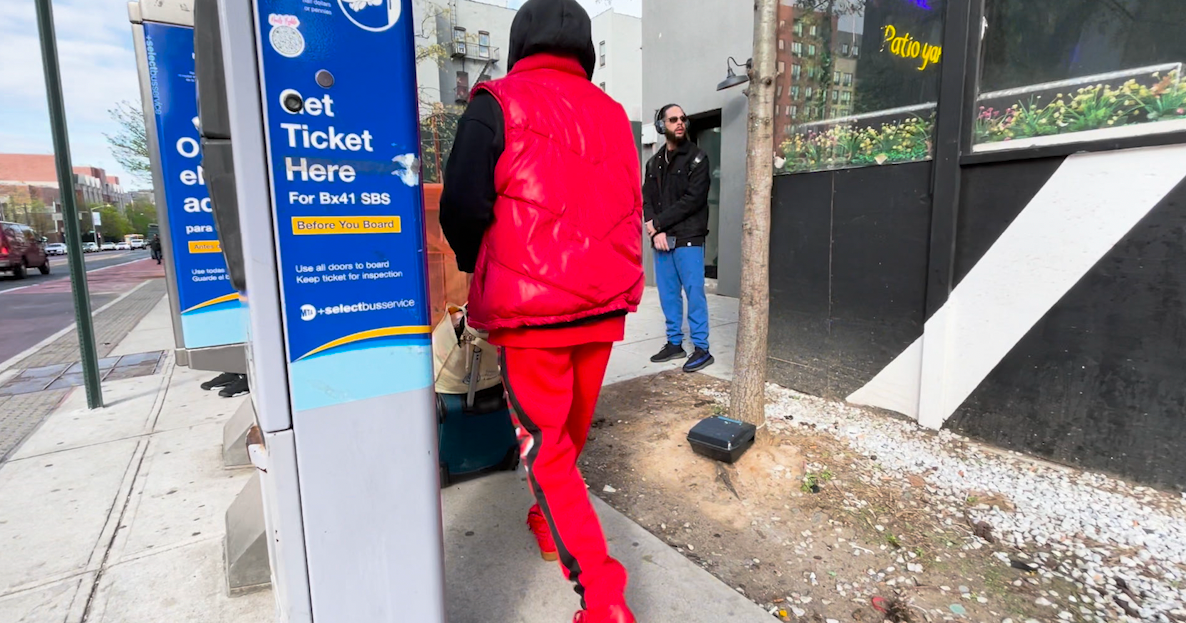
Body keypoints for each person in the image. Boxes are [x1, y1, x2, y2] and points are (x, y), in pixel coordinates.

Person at [439, 1, 643, 621]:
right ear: (584, 48)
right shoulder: (613, 114)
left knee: (546, 447)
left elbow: (461, 206)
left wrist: (483, 265)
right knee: (568, 437)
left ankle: (606, 601)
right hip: (602, 308)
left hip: (534, 317)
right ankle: (549, 525)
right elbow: (630, 203)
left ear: (519, 42)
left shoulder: (495, 101)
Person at [643, 104, 714, 372]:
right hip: (662, 240)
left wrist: (659, 224)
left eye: (683, 118)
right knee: (669, 295)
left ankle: (701, 348)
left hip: (688, 238)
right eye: (673, 119)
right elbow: (647, 198)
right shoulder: (654, 163)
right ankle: (674, 343)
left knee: (694, 293)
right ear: (662, 126)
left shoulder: (698, 158)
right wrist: (655, 228)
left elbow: (692, 201)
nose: (680, 123)